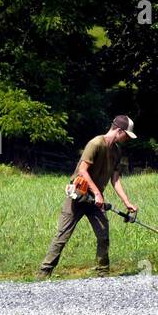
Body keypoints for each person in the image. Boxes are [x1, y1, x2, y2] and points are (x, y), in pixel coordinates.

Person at [37, 116, 138, 277]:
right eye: (127, 135)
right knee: (62, 236)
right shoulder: (95, 144)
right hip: (78, 196)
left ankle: (102, 274)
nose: (127, 139)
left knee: (103, 236)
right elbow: (83, 170)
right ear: (119, 131)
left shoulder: (117, 151)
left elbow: (115, 179)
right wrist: (97, 193)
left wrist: (127, 202)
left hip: (96, 202)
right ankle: (43, 274)